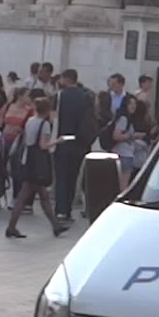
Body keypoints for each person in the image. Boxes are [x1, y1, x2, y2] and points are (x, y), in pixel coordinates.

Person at [5, 97, 69, 239]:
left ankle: (55, 226)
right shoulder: (44, 125)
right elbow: (43, 145)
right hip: (38, 163)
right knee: (28, 195)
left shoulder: (30, 121)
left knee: (38, 195)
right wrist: (57, 141)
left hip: (28, 160)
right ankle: (12, 227)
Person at [53, 68, 94, 220]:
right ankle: (68, 210)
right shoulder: (85, 97)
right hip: (79, 142)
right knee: (72, 177)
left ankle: (60, 210)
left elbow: (54, 120)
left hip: (62, 141)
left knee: (61, 177)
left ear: (65, 79)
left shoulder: (59, 96)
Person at [111, 95, 145, 189]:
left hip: (123, 152)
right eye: (130, 103)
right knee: (123, 185)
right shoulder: (124, 119)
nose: (133, 106)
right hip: (124, 153)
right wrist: (134, 136)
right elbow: (116, 135)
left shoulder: (126, 118)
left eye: (135, 104)